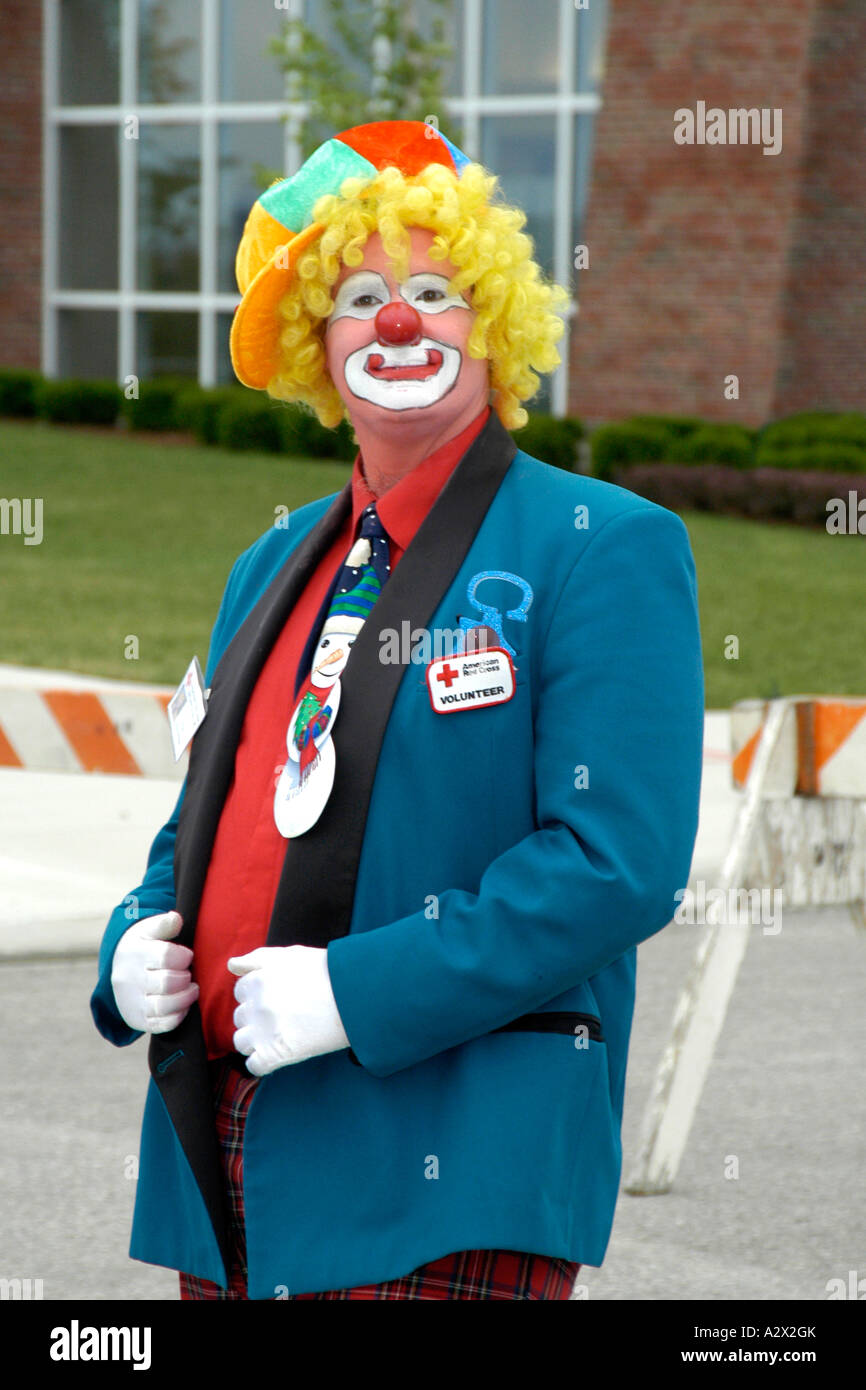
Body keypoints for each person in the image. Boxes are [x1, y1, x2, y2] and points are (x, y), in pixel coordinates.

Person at [91, 120, 704, 1301]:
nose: (398, 321)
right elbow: (207, 819)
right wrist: (130, 938)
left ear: (498, 320)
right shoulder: (269, 560)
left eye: (434, 290)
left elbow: (613, 865)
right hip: (222, 1164)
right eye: (361, 295)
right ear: (319, 342)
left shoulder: (604, 547)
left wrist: (353, 991)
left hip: (449, 1166)